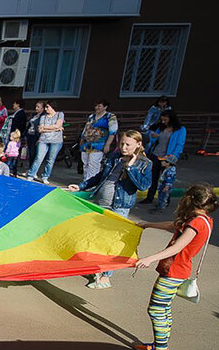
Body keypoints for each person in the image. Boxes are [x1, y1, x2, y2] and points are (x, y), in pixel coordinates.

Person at [132, 184, 218, 350]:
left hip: (174, 271)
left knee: (156, 310)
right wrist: (147, 225)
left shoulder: (196, 223)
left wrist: (149, 259)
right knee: (164, 309)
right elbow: (173, 226)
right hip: (178, 270)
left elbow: (178, 247)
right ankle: (159, 345)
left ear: (189, 200)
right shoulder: (203, 219)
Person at [68, 130, 151, 289]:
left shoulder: (144, 163)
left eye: (128, 144)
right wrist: (81, 186)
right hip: (102, 202)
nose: (124, 147)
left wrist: (131, 167)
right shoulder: (115, 157)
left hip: (119, 207)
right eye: (122, 143)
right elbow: (100, 176)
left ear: (138, 145)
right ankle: (95, 269)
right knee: (97, 237)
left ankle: (106, 276)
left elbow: (143, 185)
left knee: (112, 242)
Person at [142, 110, 186, 206]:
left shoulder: (180, 130)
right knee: (153, 178)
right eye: (162, 120)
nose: (163, 122)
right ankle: (150, 197)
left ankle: (164, 200)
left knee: (166, 180)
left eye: (165, 120)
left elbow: (180, 145)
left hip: (167, 157)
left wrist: (172, 158)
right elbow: (153, 139)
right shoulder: (161, 127)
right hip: (155, 155)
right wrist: (153, 136)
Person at [25, 100, 65, 185]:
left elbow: (58, 125)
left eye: (47, 107)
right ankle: (31, 174)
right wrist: (55, 128)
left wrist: (47, 128)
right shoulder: (43, 117)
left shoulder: (59, 114)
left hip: (56, 141)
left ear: (52, 107)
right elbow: (40, 129)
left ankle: (45, 176)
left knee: (50, 159)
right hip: (43, 140)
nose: (46, 109)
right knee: (38, 158)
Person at [79, 100, 118, 181]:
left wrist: (107, 144)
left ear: (105, 107)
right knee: (85, 164)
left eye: (99, 106)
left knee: (93, 164)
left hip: (99, 144)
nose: (97, 108)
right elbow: (86, 128)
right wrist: (82, 139)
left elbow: (113, 132)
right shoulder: (91, 116)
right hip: (87, 144)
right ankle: (85, 181)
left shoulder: (110, 117)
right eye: (96, 106)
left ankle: (91, 183)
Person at [24, 101, 43, 175]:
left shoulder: (43, 117)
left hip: (36, 136)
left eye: (38, 107)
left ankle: (33, 170)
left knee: (33, 153)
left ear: (42, 108)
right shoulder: (35, 115)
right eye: (36, 106)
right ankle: (30, 168)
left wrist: (39, 138)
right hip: (29, 135)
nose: (36, 108)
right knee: (30, 153)